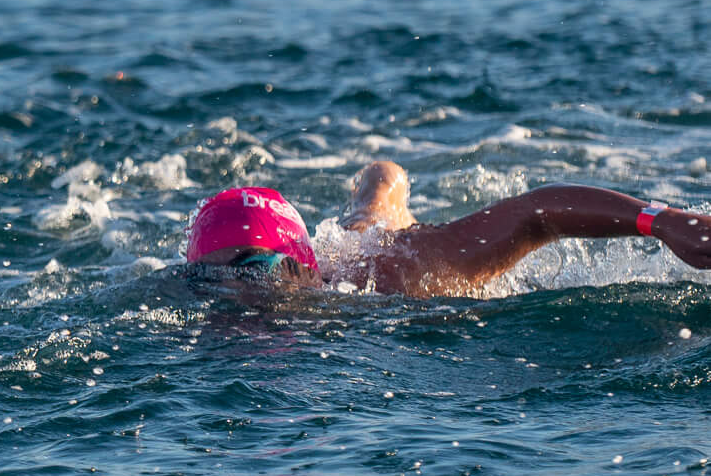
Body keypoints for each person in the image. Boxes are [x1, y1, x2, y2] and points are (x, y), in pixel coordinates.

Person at [183, 159, 711, 296]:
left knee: (375, 216)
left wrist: (661, 222)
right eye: (204, 278)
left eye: (253, 270)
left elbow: (537, 213)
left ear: (300, 269)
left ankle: (381, 180)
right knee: (362, 220)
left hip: (371, 252)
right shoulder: (198, 309)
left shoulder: (397, 275)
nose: (228, 290)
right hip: (341, 247)